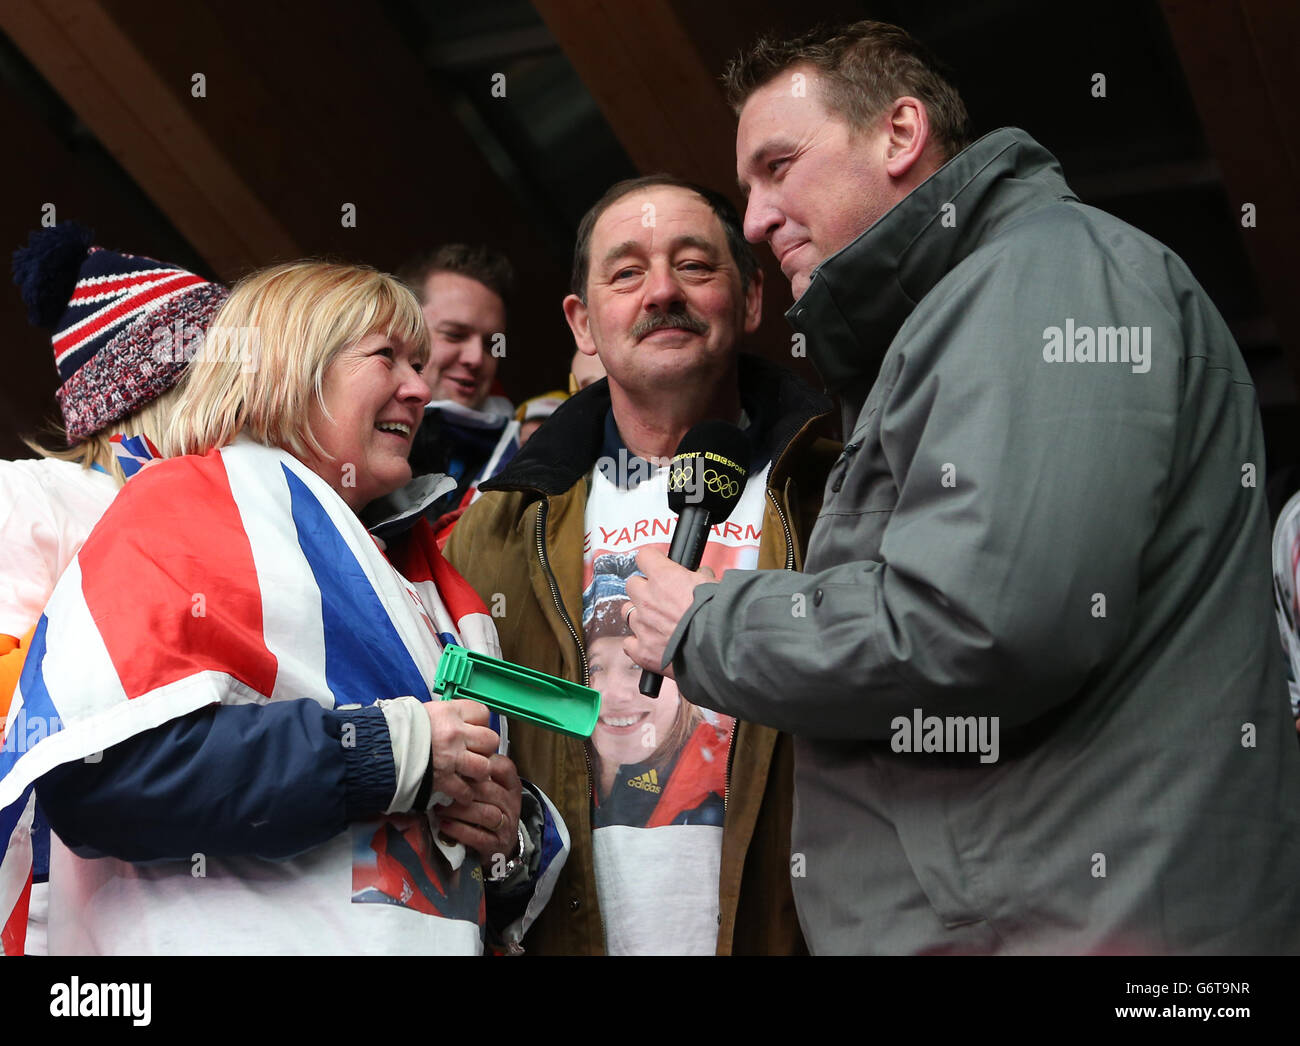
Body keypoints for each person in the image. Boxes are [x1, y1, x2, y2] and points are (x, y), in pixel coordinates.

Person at [623, 21, 1300, 954]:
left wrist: (714, 623)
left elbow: (982, 622)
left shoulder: (1046, 278)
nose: (754, 219)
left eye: (779, 166)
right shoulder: (976, 304)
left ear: (900, 135)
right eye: (747, 187)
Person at [0, 260, 566, 955]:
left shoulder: (447, 586)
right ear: (291, 367)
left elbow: (473, 858)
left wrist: (512, 840)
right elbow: (99, 775)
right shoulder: (184, 507)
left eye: (419, 362)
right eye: (386, 356)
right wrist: (391, 753)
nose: (420, 389)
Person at [444, 174, 837, 955]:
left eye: (693, 265)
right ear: (583, 324)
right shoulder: (497, 526)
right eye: (627, 273)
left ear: (752, 299)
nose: (661, 291)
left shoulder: (837, 490)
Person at [0, 221, 228, 955]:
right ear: (149, 391)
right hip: (49, 921)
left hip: (183, 905)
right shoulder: (35, 495)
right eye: (223, 376)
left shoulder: (231, 516)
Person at [401, 244, 520, 518]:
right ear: (402, 329)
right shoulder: (345, 433)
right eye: (454, 335)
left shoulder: (519, 455)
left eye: (491, 344)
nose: (476, 358)